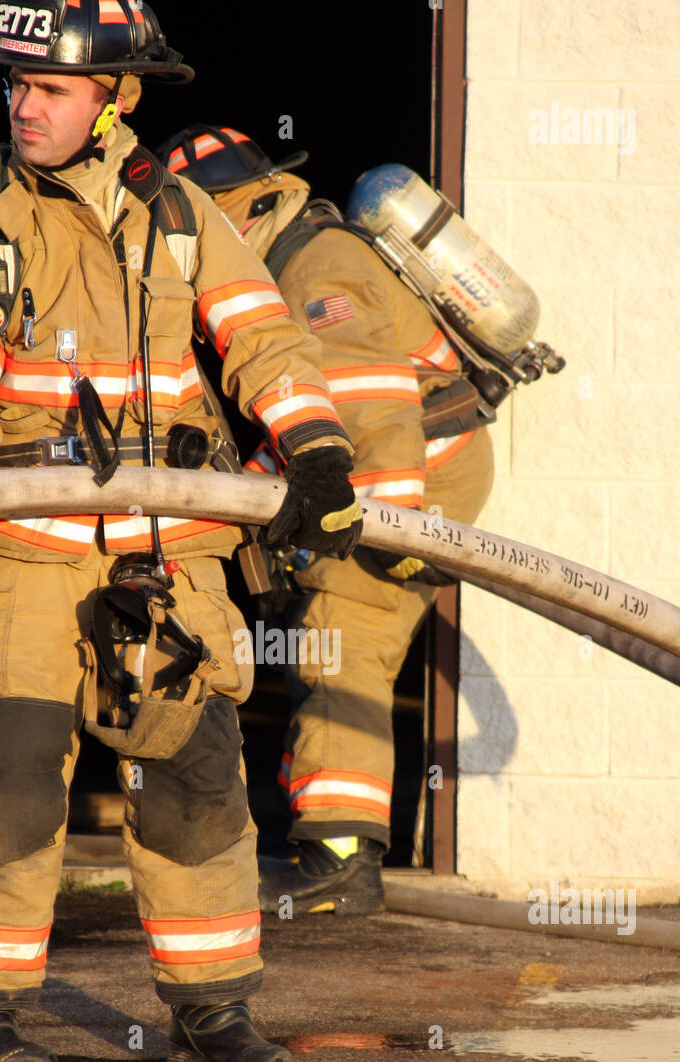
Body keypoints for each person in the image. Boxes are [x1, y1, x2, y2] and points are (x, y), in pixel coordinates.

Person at [0, 3, 362, 1062]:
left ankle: (216, 1015)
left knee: (199, 790)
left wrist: (318, 451)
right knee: (6, 797)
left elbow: (265, 339)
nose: (22, 107)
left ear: (119, 98)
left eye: (49, 89)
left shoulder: (188, 219)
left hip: (176, 560)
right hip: (25, 560)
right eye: (14, 86)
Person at [158, 126, 496, 915]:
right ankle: (330, 841)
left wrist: (401, 530)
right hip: (385, 471)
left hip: (415, 478)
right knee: (323, 630)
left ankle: (341, 859)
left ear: (238, 208)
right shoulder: (284, 257)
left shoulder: (316, 263)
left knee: (343, 643)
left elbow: (371, 406)